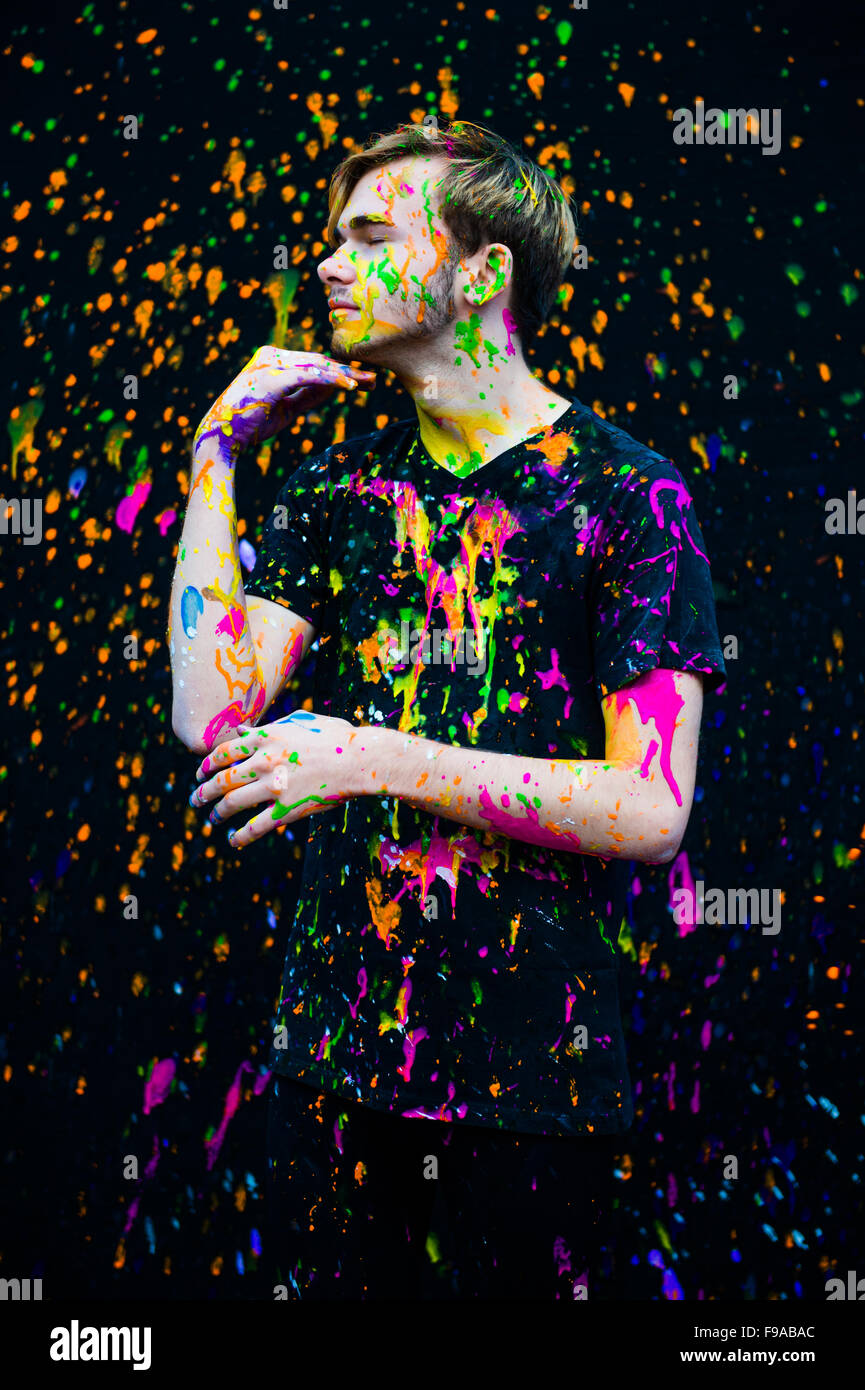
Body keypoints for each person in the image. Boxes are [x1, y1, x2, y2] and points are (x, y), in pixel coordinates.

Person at [169, 119, 727, 1300]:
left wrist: (371, 756)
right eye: (329, 236)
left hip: (534, 1091)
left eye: (368, 234)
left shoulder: (628, 497)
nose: (323, 263)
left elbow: (649, 807)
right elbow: (209, 714)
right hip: (332, 1078)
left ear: (481, 275)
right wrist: (215, 457)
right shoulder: (342, 486)